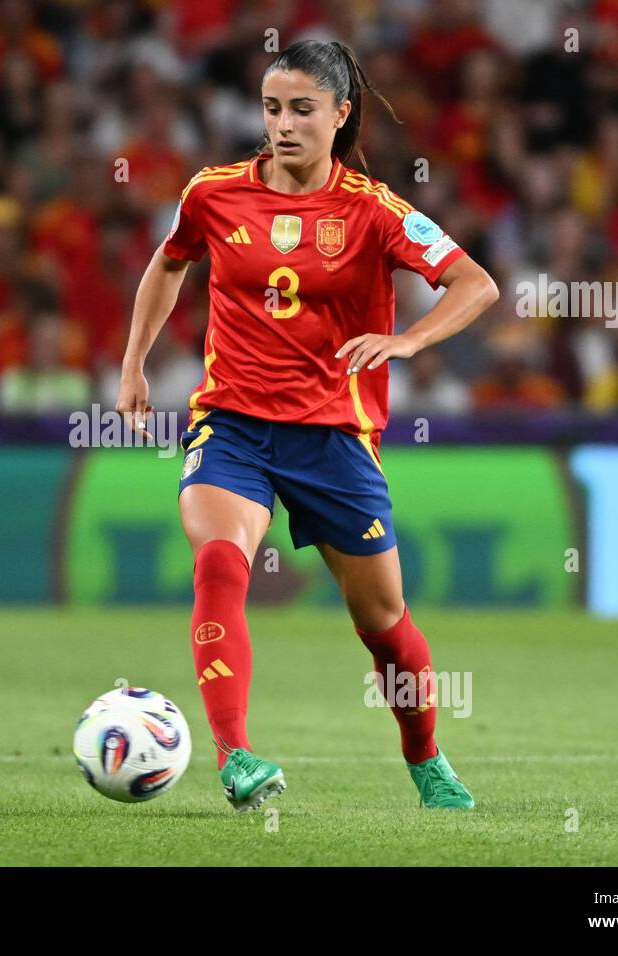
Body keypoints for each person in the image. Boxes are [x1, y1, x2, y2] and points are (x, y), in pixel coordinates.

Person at [115, 39, 499, 812]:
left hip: (334, 439)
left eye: (301, 110)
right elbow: (169, 262)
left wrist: (408, 339)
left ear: (340, 114)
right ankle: (234, 756)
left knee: (384, 622)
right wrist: (133, 364)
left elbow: (476, 283)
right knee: (221, 563)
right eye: (270, 108)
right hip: (233, 425)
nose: (282, 125)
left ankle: (425, 758)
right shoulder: (215, 193)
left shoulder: (372, 209)